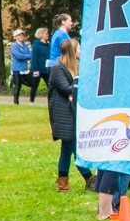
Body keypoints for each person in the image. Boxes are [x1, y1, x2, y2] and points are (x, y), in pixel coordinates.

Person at [47, 39, 89, 191]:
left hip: (70, 111)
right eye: (79, 48)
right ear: (72, 51)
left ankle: (62, 182)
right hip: (62, 114)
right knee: (75, 146)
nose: (81, 51)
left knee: (66, 148)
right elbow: (67, 89)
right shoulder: (58, 68)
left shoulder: (74, 67)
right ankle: (89, 177)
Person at [8, 28, 39, 104]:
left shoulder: (25, 46)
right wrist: (26, 56)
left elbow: (30, 55)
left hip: (25, 69)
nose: (21, 36)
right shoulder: (14, 46)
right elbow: (19, 56)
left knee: (33, 84)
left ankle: (31, 101)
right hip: (17, 69)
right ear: (16, 37)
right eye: (19, 35)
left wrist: (25, 56)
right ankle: (16, 102)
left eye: (22, 34)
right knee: (18, 86)